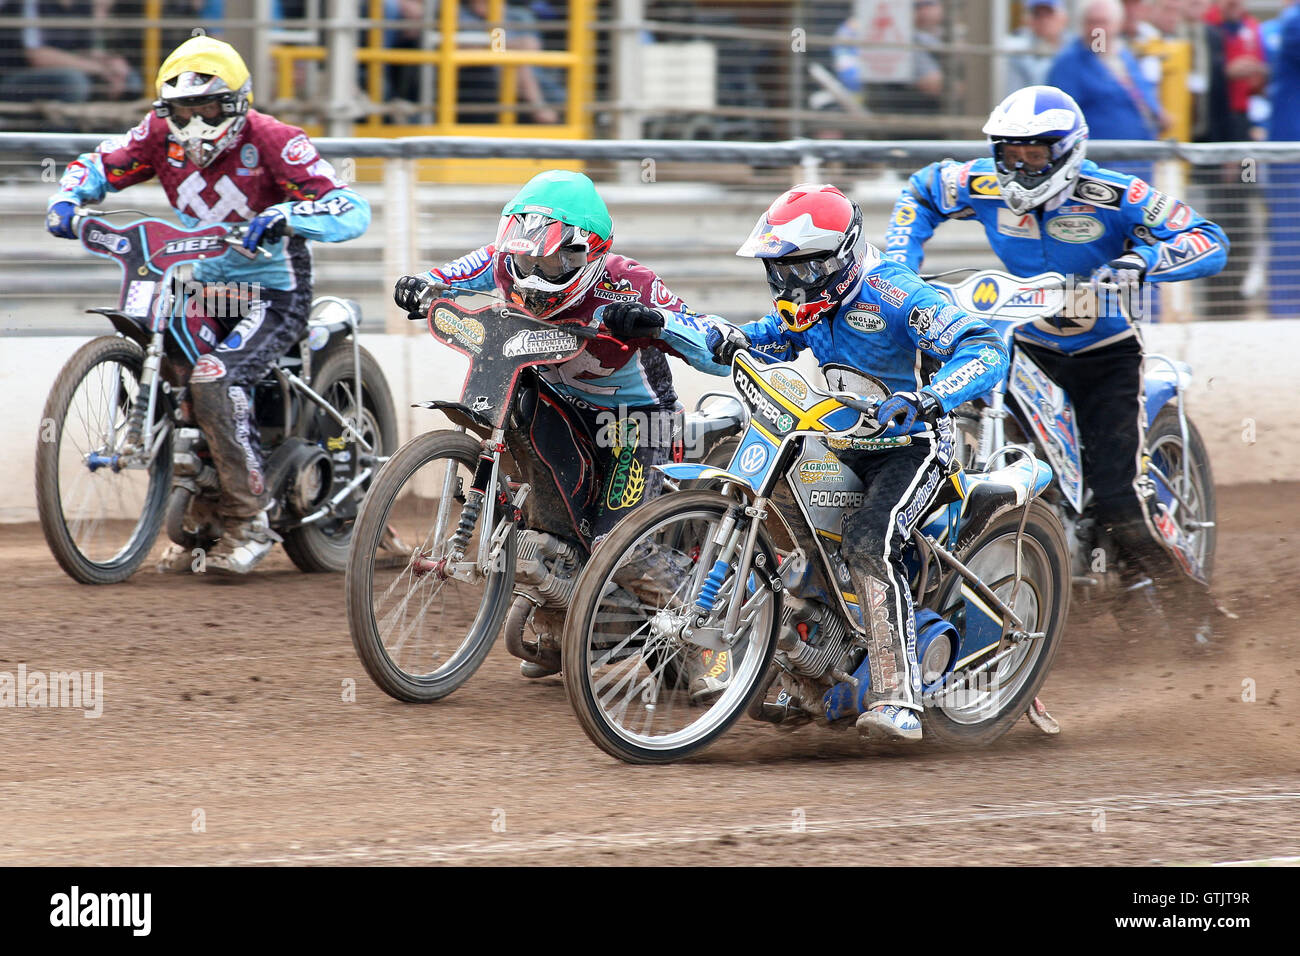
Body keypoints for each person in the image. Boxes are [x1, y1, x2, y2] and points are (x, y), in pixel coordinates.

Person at [882, 85, 1228, 637]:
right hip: (1024, 346)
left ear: (1067, 152)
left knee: (1118, 499)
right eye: (1008, 153)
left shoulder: (1117, 194)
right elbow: (921, 190)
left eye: (1034, 155)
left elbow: (1209, 238)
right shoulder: (979, 182)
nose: (1018, 167)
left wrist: (1144, 259)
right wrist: (898, 265)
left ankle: (1196, 617)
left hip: (1104, 358)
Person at [45, 36, 372, 575]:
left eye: (207, 106)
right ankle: (205, 491)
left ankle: (250, 521)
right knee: (175, 360)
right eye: (181, 108)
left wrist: (291, 217)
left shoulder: (274, 140)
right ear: (164, 110)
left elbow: (348, 205)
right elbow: (99, 163)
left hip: (273, 291)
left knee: (214, 377)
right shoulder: (156, 137)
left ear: (238, 103)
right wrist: (67, 197)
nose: (194, 121)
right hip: (200, 286)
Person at [392, 169, 732, 681]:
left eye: (550, 261)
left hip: (637, 423)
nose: (532, 272)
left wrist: (653, 322)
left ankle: (708, 641)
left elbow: (712, 348)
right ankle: (565, 625)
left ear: (585, 253)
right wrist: (420, 286)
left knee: (619, 546)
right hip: (558, 402)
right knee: (541, 520)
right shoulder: (502, 262)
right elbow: (445, 278)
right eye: (526, 257)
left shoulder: (629, 281)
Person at [704, 184, 1010, 742]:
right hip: (840, 439)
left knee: (871, 540)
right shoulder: (806, 306)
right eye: (779, 270)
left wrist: (925, 398)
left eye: (798, 269)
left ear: (837, 259)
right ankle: (816, 656)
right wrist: (708, 333)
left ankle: (899, 696)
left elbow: (985, 347)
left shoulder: (895, 292)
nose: (787, 284)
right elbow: (766, 336)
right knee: (791, 524)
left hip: (914, 445)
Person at [1048, 0, 1165, 141]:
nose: (1096, 29)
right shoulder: (1069, 63)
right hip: (1100, 156)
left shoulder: (1124, 55)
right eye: (1091, 22)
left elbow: (1142, 94)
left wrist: (1157, 114)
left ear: (1117, 24)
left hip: (1138, 154)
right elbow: (1062, 117)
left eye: (1103, 22)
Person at [0, 0, 139, 108]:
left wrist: (111, 62)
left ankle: (117, 139)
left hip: (71, 72)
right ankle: (59, 143)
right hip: (15, 80)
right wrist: (101, 69)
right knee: (73, 81)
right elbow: (37, 56)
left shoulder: (83, 5)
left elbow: (85, 50)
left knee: (130, 78)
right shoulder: (30, 3)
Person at [1004, 0, 1071, 95]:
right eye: (1037, 14)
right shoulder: (1017, 48)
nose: (1044, 20)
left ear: (1063, 17)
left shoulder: (1076, 46)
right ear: (1027, 19)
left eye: (1049, 13)